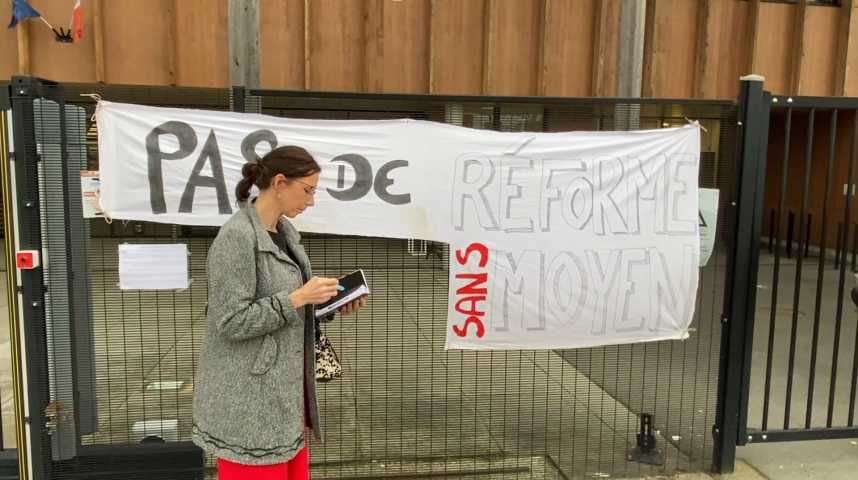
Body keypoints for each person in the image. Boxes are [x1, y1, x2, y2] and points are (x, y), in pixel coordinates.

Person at [192, 145, 366, 479]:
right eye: (308, 190)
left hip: (284, 396)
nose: (311, 200)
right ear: (280, 183)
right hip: (250, 403)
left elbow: (290, 307)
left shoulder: (286, 234)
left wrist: (327, 303)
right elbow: (229, 321)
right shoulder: (236, 238)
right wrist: (298, 298)